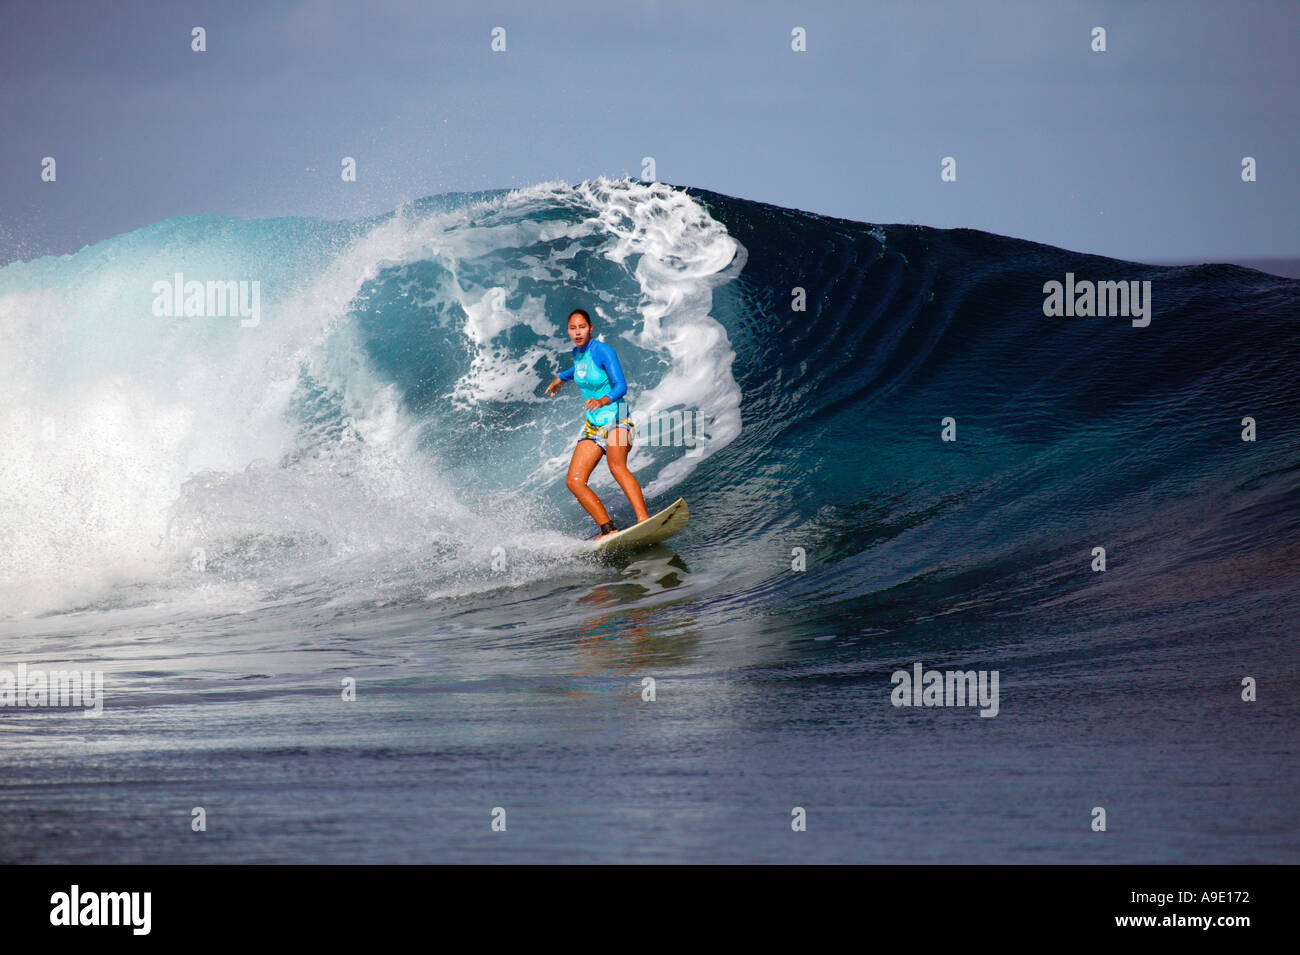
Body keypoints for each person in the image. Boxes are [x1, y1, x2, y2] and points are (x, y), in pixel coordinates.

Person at [545, 308, 650, 539]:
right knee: (574, 481)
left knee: (616, 466)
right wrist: (560, 377)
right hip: (593, 426)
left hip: (617, 418)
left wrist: (603, 400)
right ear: (568, 331)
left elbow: (621, 385)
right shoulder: (577, 353)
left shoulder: (603, 351)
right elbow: (580, 370)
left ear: (590, 328)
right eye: (573, 328)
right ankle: (608, 529)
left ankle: (644, 520)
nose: (577, 332)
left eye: (582, 327)